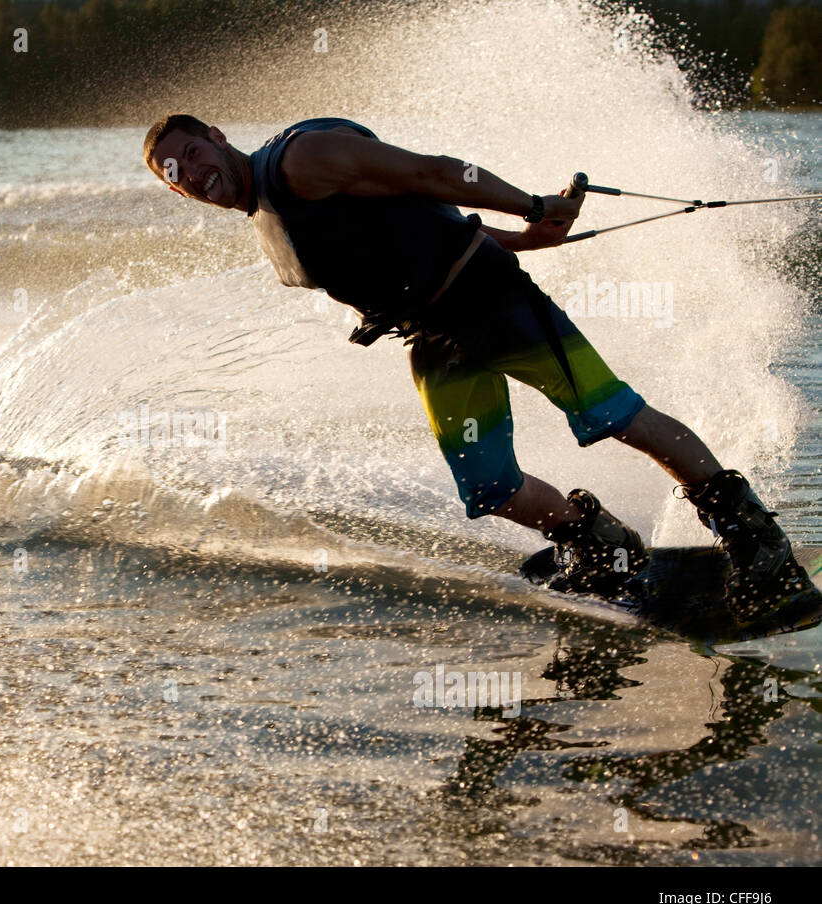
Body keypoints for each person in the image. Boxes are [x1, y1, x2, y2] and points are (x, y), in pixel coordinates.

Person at [142, 113, 819, 624]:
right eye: (175, 173)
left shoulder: (303, 158)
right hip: (433, 339)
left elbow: (435, 174)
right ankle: (600, 544)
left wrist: (531, 207)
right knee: (490, 485)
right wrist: (527, 235)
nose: (192, 170)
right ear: (178, 194)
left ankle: (758, 547)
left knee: (612, 414)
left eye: (193, 151)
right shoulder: (267, 217)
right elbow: (421, 223)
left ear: (218, 137)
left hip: (493, 303)